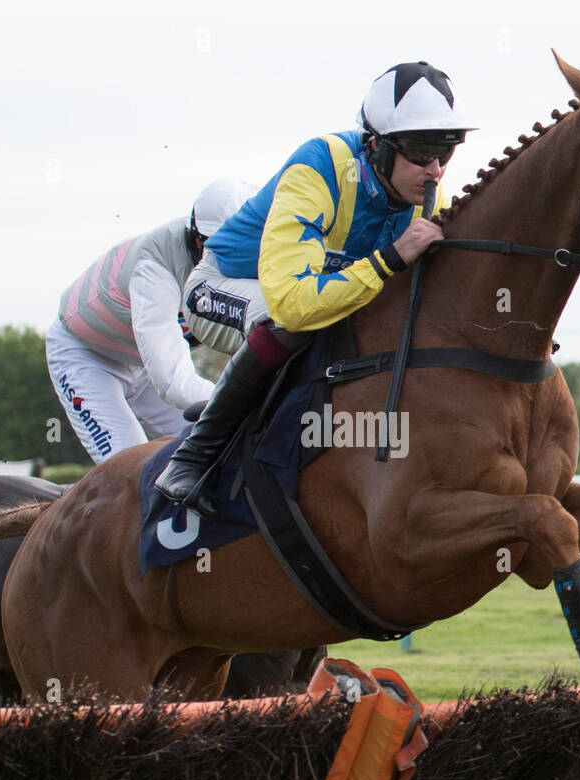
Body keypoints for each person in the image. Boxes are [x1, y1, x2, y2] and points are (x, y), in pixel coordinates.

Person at [156, 61, 472, 517]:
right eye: (422, 153)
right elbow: (294, 302)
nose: (436, 171)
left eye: (447, 152)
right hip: (222, 289)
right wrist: (389, 258)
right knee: (286, 319)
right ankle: (193, 456)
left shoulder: (428, 198)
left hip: (305, 297)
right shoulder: (319, 165)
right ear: (377, 147)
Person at [47, 179, 257, 463]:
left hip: (143, 362)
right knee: (129, 468)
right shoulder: (154, 268)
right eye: (211, 248)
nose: (219, 261)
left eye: (232, 249)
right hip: (87, 357)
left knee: (222, 454)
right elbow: (173, 382)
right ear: (195, 236)